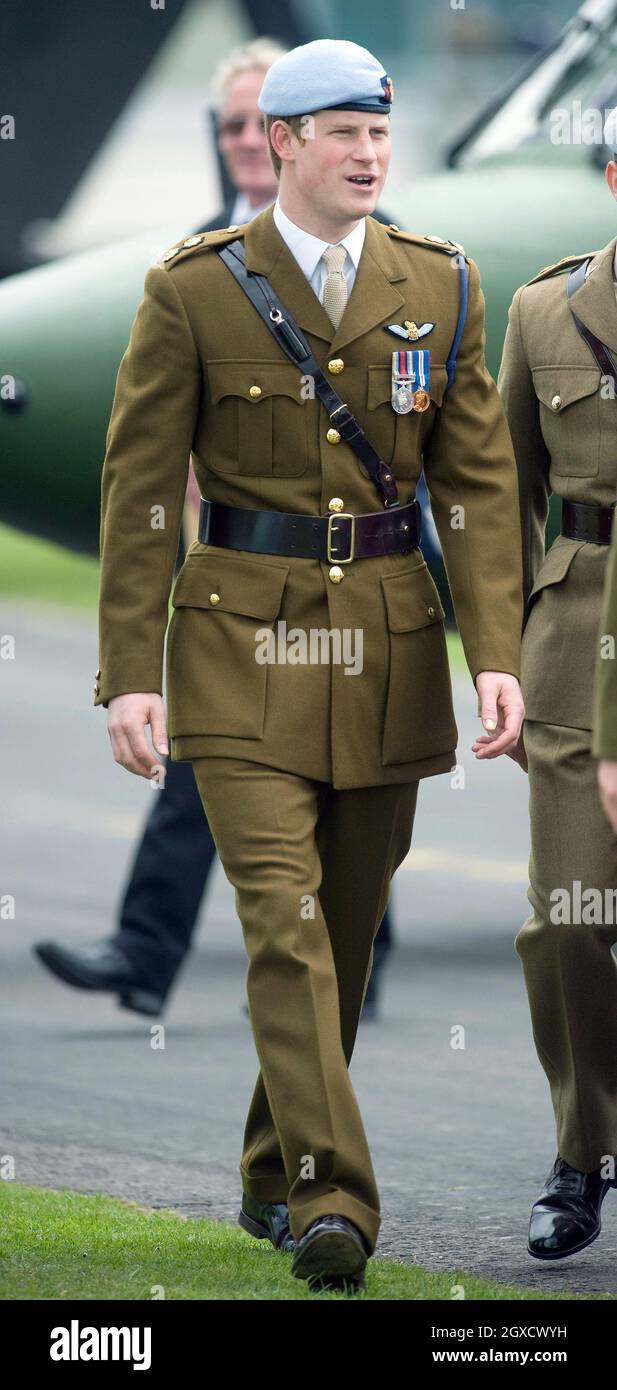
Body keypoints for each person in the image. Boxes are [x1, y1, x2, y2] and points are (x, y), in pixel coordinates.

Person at [94, 38, 524, 1292]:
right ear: (280, 143)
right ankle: (332, 1198)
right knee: (282, 925)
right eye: (342, 133)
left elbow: (477, 487)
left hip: (387, 647)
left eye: (379, 134)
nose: (367, 154)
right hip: (237, 645)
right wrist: (130, 671)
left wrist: (494, 653)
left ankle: (265, 1165)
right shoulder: (192, 288)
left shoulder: (440, 282)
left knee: (340, 930)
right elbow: (138, 493)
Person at [34, 37, 396, 1021]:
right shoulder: (193, 265)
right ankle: (151, 953)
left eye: (253, 123)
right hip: (234, 569)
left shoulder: (390, 258)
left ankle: (349, 949)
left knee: (346, 767)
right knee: (213, 750)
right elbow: (142, 456)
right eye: (229, 124)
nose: (240, 140)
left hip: (354, 571)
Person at [498, 107, 617, 1261]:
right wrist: (496, 660)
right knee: (568, 923)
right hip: (575, 647)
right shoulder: (544, 310)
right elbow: (505, 500)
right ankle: (582, 1150)